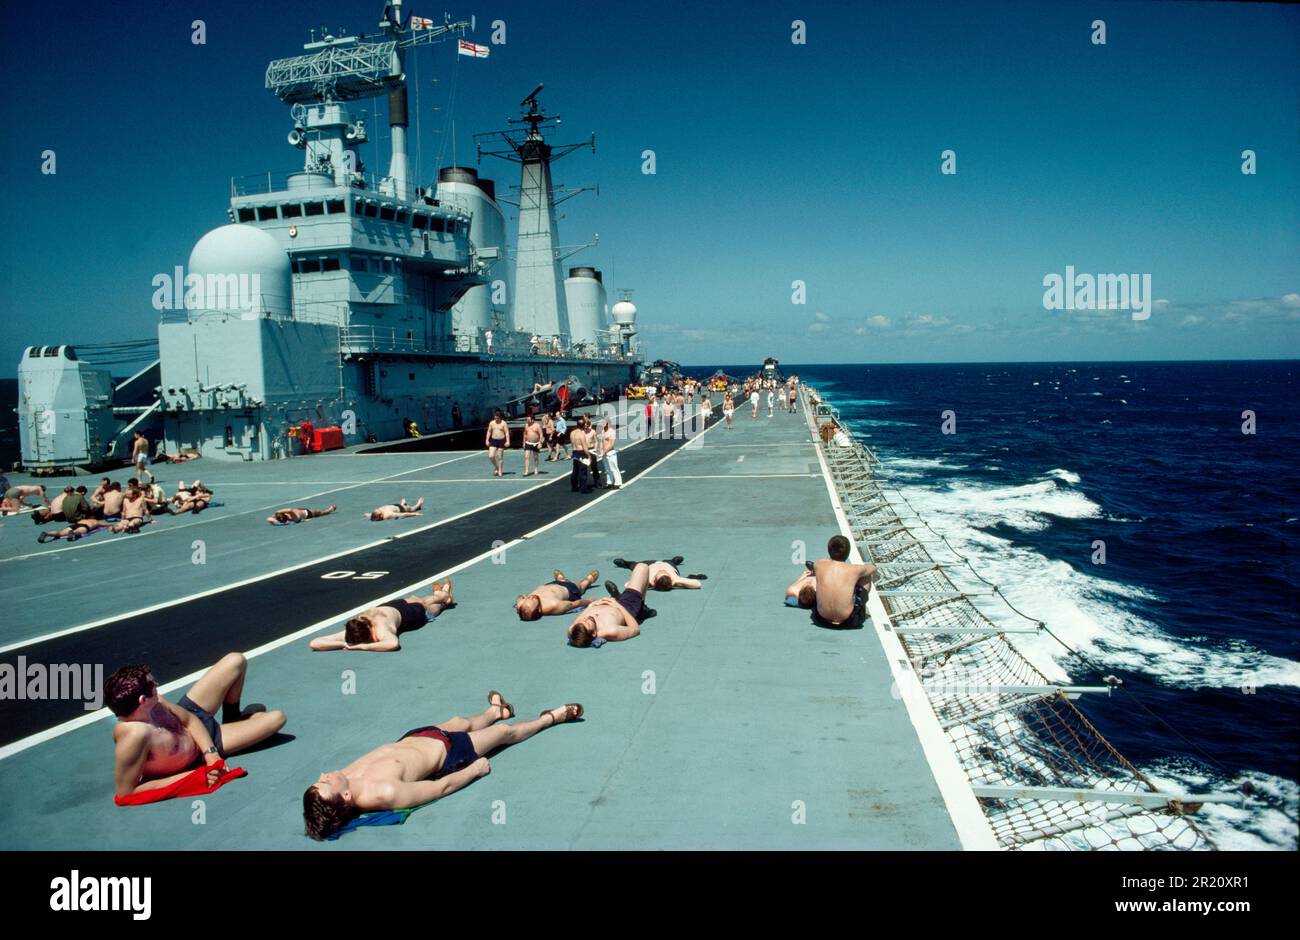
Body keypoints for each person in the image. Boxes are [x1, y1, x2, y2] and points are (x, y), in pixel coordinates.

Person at [302, 692, 583, 841]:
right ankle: (550, 719)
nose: (325, 775)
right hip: (450, 753)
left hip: (417, 737)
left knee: (460, 721)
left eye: (320, 779)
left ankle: (496, 711)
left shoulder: (345, 776)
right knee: (503, 734)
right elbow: (439, 787)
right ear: (347, 797)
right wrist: (473, 771)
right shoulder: (385, 793)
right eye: (325, 782)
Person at [106, 654, 285, 800]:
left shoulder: (156, 702)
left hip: (199, 728)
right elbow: (126, 792)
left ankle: (234, 718)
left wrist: (212, 754)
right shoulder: (134, 736)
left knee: (236, 660)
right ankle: (244, 724)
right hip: (206, 744)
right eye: (153, 685)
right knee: (277, 718)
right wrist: (194, 776)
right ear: (143, 701)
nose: (157, 686)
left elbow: (189, 720)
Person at [310, 581, 455, 651]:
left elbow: (392, 644)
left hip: (403, 613)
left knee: (426, 608)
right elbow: (314, 643)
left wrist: (361, 647)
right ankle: (442, 595)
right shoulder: (355, 627)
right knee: (424, 601)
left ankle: (444, 599)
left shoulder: (381, 630)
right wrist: (343, 643)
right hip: (392, 608)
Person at [565, 563, 657, 648]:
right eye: (588, 623)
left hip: (608, 603)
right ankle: (640, 608)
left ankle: (617, 596)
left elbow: (572, 630)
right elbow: (635, 629)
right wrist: (617, 605)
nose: (585, 618)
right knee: (642, 567)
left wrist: (591, 605)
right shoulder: (610, 630)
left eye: (582, 620)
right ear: (594, 634)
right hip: (626, 605)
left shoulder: (574, 630)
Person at [811, 535, 877, 629]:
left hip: (821, 618)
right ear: (848, 552)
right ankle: (858, 608)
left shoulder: (818, 564)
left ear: (829, 551)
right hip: (848, 621)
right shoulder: (855, 569)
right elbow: (873, 569)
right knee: (866, 576)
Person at [515, 568, 601, 621]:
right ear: (539, 609)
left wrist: (520, 602)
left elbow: (520, 598)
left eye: (527, 598)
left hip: (550, 585)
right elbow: (573, 604)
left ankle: (561, 579)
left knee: (560, 581)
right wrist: (588, 601)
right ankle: (588, 580)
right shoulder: (554, 605)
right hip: (569, 590)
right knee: (580, 586)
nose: (528, 597)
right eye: (532, 599)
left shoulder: (523, 606)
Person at [612, 555, 706, 591]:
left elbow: (627, 585)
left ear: (654, 579)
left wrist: (648, 583)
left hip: (648, 564)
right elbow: (697, 584)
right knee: (672, 561)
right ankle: (674, 560)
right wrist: (676, 579)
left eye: (659, 574)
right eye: (664, 573)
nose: (661, 571)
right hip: (668, 564)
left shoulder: (650, 580)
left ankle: (625, 563)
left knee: (635, 566)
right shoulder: (674, 579)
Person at [569, 417, 592, 493]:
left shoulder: (572, 432)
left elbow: (572, 444)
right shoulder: (582, 434)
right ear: (583, 426)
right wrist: (589, 456)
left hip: (575, 452)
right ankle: (583, 489)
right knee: (582, 471)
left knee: (575, 470)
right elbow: (585, 447)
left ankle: (574, 487)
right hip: (581, 452)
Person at [598, 418, 622, 488]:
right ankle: (609, 482)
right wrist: (600, 449)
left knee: (614, 468)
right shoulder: (602, 431)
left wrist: (605, 451)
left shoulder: (611, 432)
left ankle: (618, 483)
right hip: (604, 453)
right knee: (607, 469)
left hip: (610, 453)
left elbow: (612, 444)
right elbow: (601, 441)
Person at [485, 411, 509, 477]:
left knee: (500, 457)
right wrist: (487, 440)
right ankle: (497, 467)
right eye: (495, 418)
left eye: (497, 418)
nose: (496, 419)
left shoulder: (504, 423)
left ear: (500, 418)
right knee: (491, 456)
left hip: (501, 440)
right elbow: (489, 432)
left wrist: (508, 441)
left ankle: (500, 471)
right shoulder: (492, 423)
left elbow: (506, 433)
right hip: (493, 440)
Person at [267, 504, 337, 525]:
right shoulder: (294, 518)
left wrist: (275, 517)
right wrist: (277, 512)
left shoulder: (280, 519)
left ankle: (328, 510)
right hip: (308, 513)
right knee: (321, 513)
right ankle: (329, 510)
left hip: (300, 509)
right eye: (279, 515)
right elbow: (290, 510)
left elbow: (268, 519)